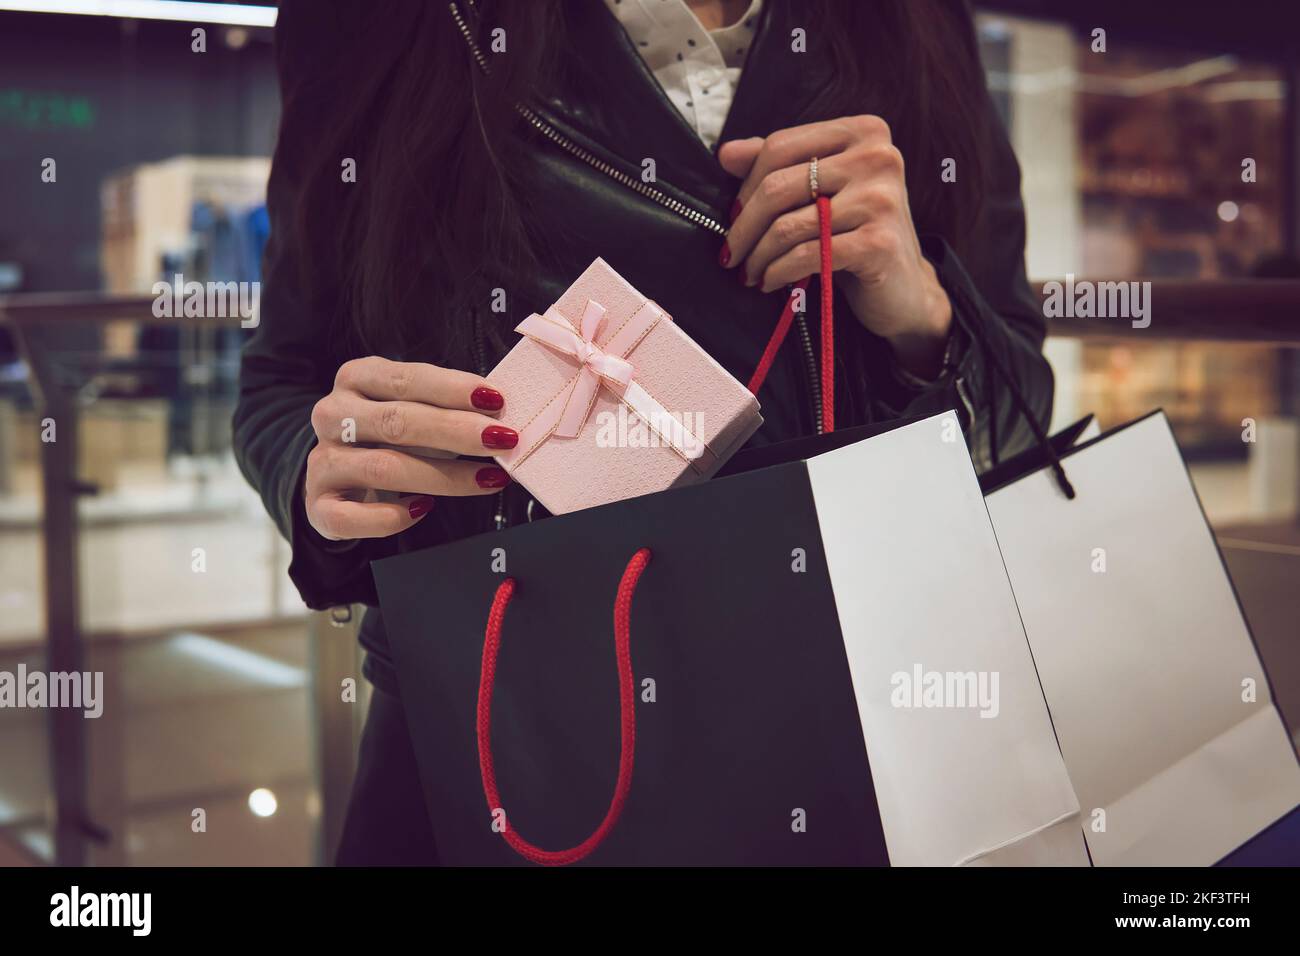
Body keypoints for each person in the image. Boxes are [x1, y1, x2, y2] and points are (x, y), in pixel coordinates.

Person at [234, 0, 1054, 865]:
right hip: (498, 729)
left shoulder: (914, 20)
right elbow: (283, 383)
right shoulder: (381, 19)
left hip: (848, 705)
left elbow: (1017, 402)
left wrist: (920, 307)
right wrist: (329, 466)